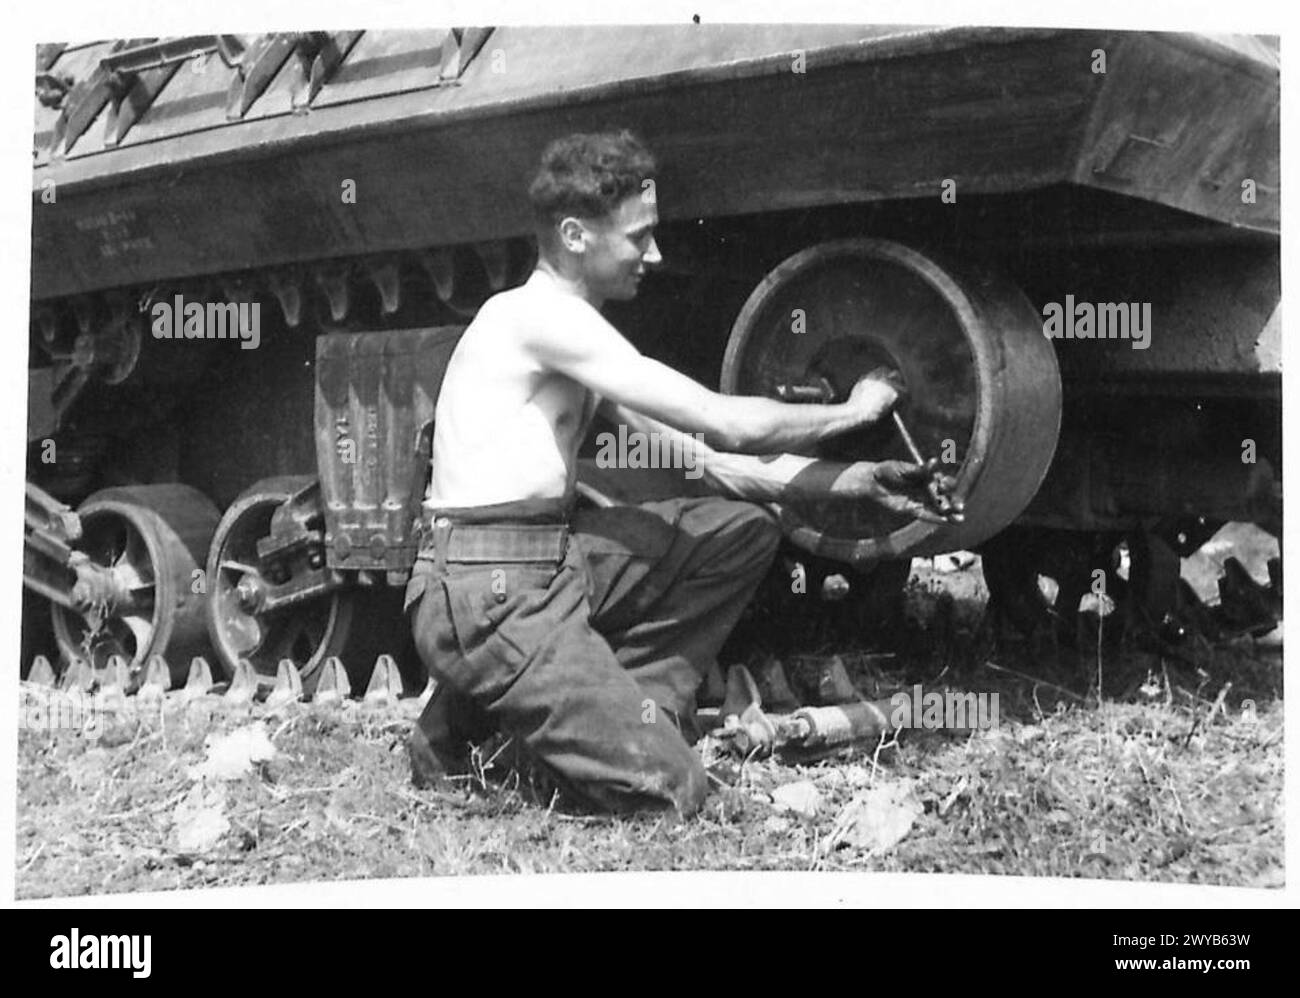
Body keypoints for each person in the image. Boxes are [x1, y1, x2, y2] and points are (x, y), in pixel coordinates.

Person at [404, 130, 960, 816]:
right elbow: (726, 423)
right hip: (490, 592)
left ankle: (636, 712)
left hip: (541, 567)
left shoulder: (568, 343)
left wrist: (849, 480)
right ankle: (500, 728)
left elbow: (705, 463)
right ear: (576, 235)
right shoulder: (539, 319)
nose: (656, 254)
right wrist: (856, 409)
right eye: (639, 236)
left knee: (739, 533)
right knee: (677, 791)